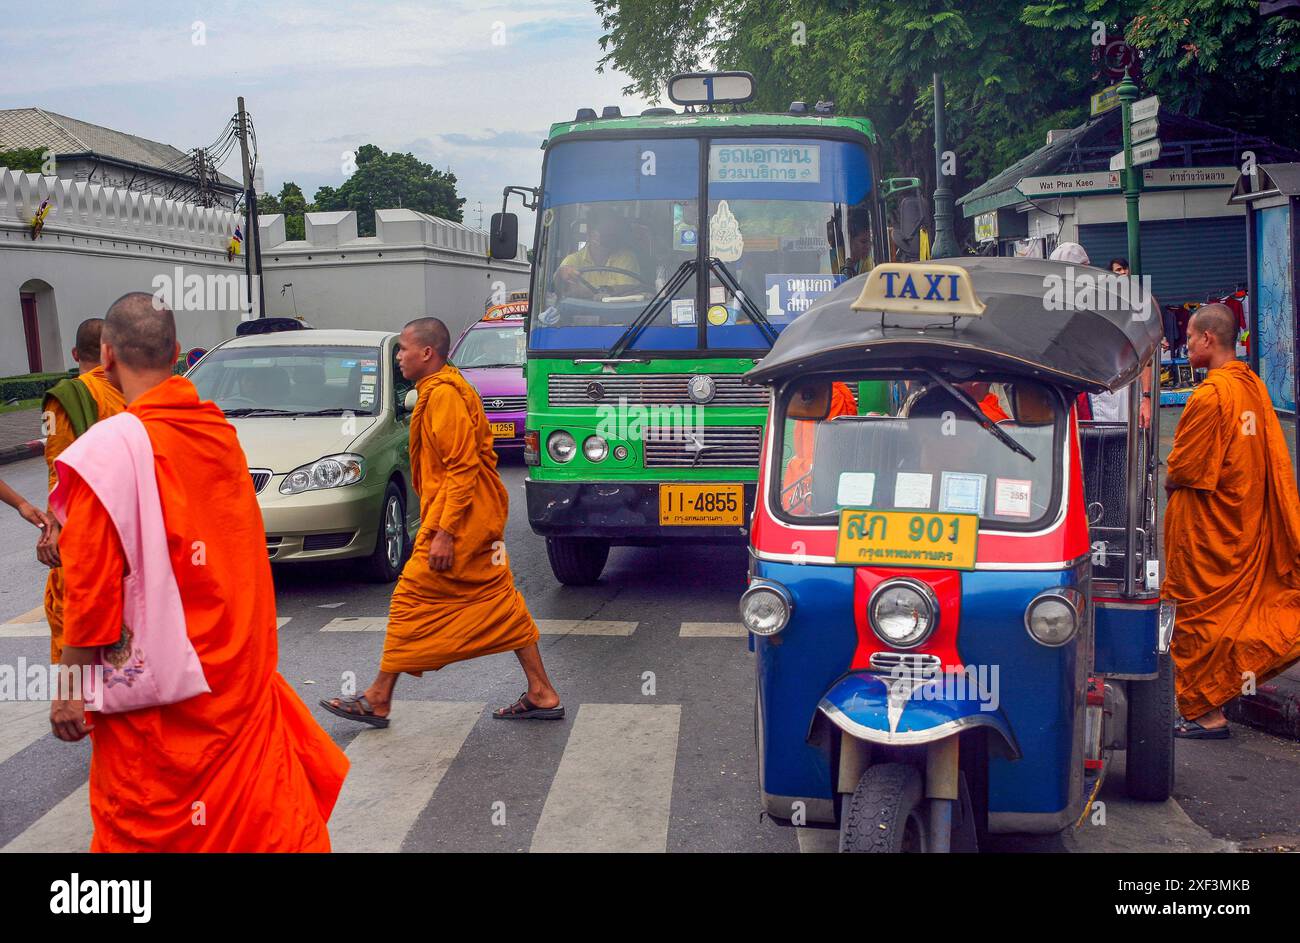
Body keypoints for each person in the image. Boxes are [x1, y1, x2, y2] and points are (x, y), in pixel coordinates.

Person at [48, 292, 347, 851]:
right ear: (180, 354)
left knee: (151, 836)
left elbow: (90, 587)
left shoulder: (108, 452)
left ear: (105, 356)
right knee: (252, 828)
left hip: (159, 703)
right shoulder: (218, 436)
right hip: (232, 675)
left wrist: (70, 688)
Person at [321, 317, 562, 725]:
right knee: (498, 601)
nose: (398, 357)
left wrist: (444, 533)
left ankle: (379, 696)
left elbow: (462, 467)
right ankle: (541, 691)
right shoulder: (440, 387)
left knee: (410, 597)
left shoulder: (444, 396)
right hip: (472, 514)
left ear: (427, 353)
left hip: (462, 520)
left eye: (403, 349)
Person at [1163, 303, 1300, 739]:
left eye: (1189, 340)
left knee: (1199, 617)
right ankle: (1214, 702)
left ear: (1208, 339)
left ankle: (1206, 713)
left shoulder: (1210, 395)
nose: (1184, 348)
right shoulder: (1253, 386)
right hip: (1242, 522)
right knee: (1232, 618)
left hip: (1207, 527)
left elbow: (1184, 470)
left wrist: (1170, 482)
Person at [39, 317, 126, 662]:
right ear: (112, 352)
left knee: (74, 614)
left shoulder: (61, 399)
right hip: (130, 527)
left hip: (85, 529)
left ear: (75, 352)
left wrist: (51, 527)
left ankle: (80, 701)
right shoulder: (134, 391)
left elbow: (55, 464)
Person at [1049, 242, 1154, 428]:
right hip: (1084, 400)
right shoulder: (1056, 307)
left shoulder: (1115, 298)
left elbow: (1145, 353)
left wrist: (1146, 397)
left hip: (1118, 396)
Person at [555, 213, 641, 298]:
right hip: (581, 311)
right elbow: (563, 291)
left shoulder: (626, 258)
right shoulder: (572, 260)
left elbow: (630, 291)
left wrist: (598, 291)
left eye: (614, 232)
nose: (611, 236)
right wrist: (561, 275)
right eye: (606, 231)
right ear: (590, 234)